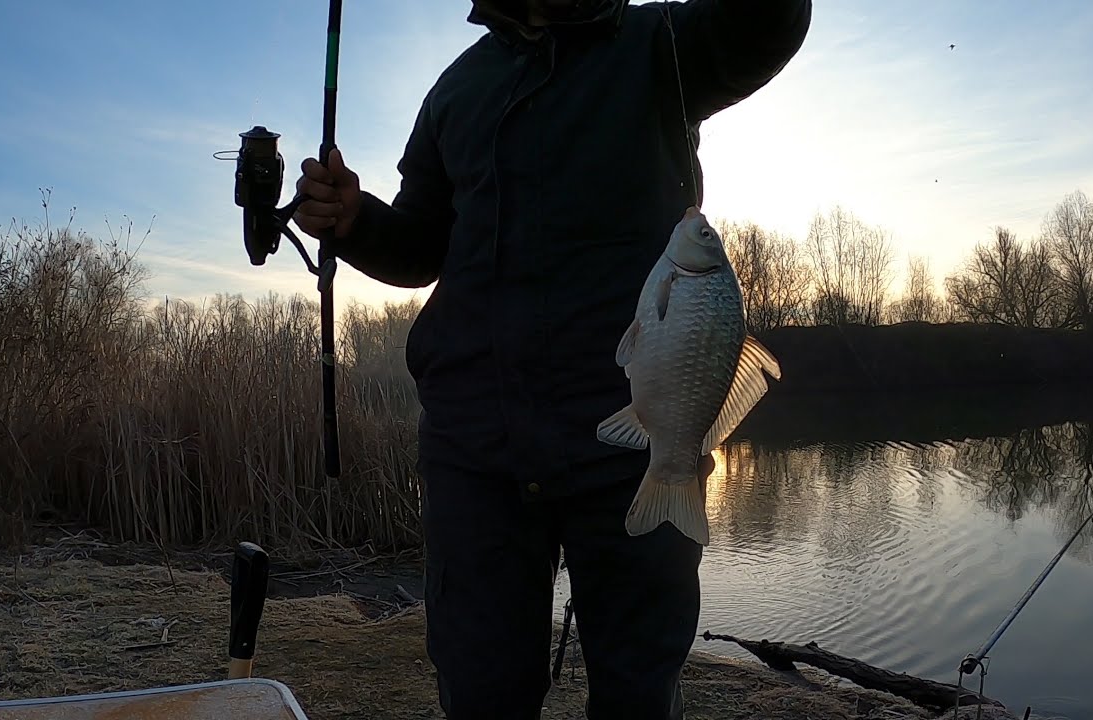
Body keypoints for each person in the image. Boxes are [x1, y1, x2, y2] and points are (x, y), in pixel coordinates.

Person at [291, 1, 811, 717]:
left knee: (638, 693)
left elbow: (766, 23)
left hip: (630, 438)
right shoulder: (455, 90)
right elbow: (421, 246)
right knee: (481, 691)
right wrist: (355, 221)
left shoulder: (662, 42)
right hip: (476, 447)